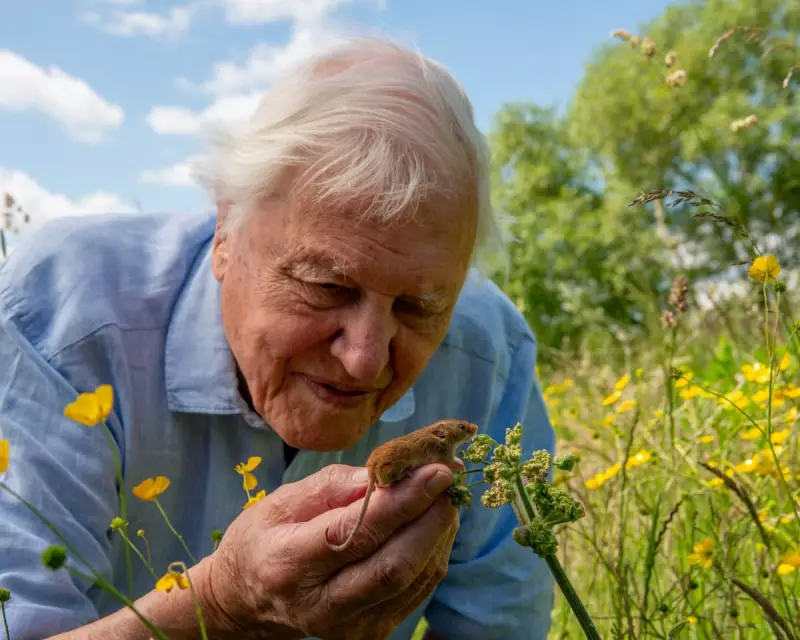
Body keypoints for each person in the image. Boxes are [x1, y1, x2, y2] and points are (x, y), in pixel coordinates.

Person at [0, 37, 555, 639]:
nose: (365, 361)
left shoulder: (489, 351)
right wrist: (222, 603)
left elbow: (498, 625)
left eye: (420, 306)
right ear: (226, 232)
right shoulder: (58, 314)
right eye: (326, 285)